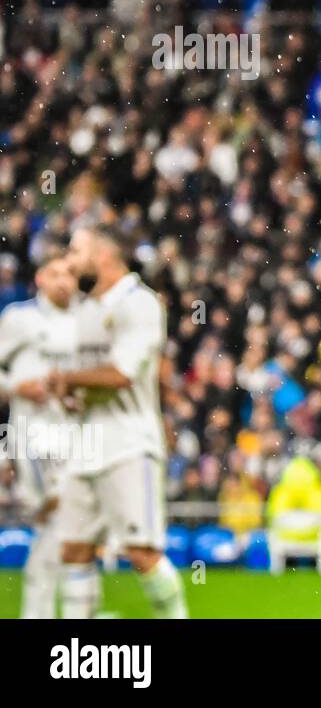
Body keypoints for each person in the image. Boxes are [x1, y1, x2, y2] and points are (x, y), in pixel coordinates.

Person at [50, 224, 188, 618]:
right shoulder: (84, 309)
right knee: (74, 548)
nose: (69, 262)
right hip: (85, 446)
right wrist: (70, 393)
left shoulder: (139, 303)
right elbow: (87, 380)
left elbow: (120, 374)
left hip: (130, 445)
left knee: (141, 551)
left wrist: (68, 379)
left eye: (76, 252)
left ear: (104, 256)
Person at [0, 249, 79, 618]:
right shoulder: (20, 319)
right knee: (62, 509)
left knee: (63, 527)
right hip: (31, 435)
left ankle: (42, 612)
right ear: (41, 279)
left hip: (75, 438)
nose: (66, 281)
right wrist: (18, 386)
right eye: (57, 274)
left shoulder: (85, 323)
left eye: (71, 274)